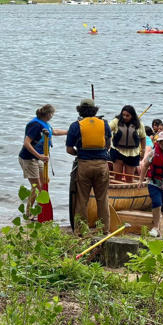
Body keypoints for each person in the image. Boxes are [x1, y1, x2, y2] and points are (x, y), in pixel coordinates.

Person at [66, 99, 112, 233]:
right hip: (101, 165)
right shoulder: (104, 124)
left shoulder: (75, 126)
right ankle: (104, 229)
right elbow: (108, 145)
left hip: (84, 165)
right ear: (95, 110)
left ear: (79, 110)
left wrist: (79, 153)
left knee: (82, 199)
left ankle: (80, 230)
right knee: (102, 199)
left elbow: (69, 149)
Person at [18, 104, 67, 217]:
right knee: (37, 187)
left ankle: (39, 210)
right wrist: (39, 156)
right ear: (48, 114)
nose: (52, 116)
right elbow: (26, 143)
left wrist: (69, 132)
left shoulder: (45, 123)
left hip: (37, 158)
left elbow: (54, 131)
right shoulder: (35, 125)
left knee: (45, 182)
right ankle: (29, 213)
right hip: (28, 158)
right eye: (52, 114)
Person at [109, 105, 146, 182]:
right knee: (117, 176)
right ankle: (116, 188)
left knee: (129, 177)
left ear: (132, 116)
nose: (125, 117)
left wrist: (143, 151)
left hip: (133, 153)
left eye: (127, 115)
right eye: (123, 115)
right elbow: (107, 130)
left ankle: (129, 187)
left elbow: (143, 137)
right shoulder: (116, 121)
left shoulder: (139, 124)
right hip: (117, 151)